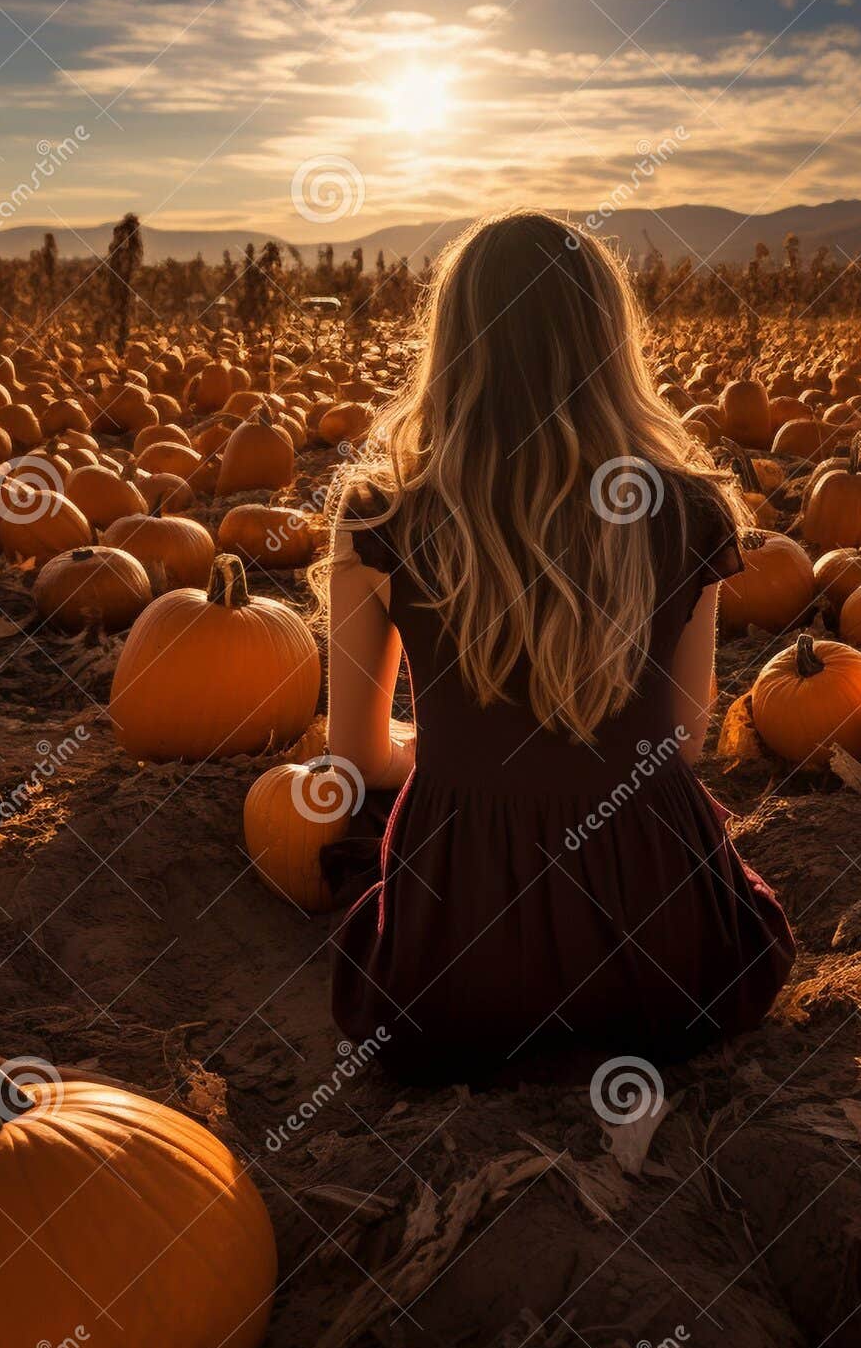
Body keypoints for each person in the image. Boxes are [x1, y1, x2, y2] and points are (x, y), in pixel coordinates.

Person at [316, 210, 794, 1080]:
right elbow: (684, 736)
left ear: (451, 340)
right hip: (668, 961)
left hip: (455, 979)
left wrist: (464, 755)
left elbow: (353, 757)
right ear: (611, 343)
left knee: (361, 832)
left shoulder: (381, 514)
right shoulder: (686, 509)